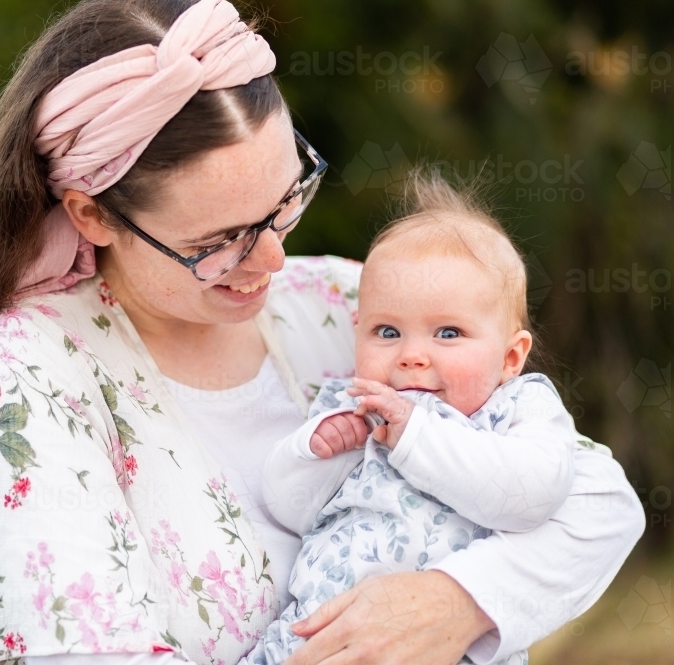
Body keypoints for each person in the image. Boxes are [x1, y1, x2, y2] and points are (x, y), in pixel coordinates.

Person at [0, 0, 645, 664]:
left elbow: (601, 502)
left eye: (286, 199)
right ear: (92, 215)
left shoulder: (345, 307)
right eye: (221, 238)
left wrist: (458, 603)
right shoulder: (31, 372)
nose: (274, 257)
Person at [248, 174, 613, 665]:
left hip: (449, 649)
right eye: (387, 330)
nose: (411, 355)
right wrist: (315, 449)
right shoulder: (355, 405)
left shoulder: (519, 407)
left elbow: (534, 495)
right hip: (320, 636)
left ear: (510, 356)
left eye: (447, 332)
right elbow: (289, 508)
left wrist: (414, 435)